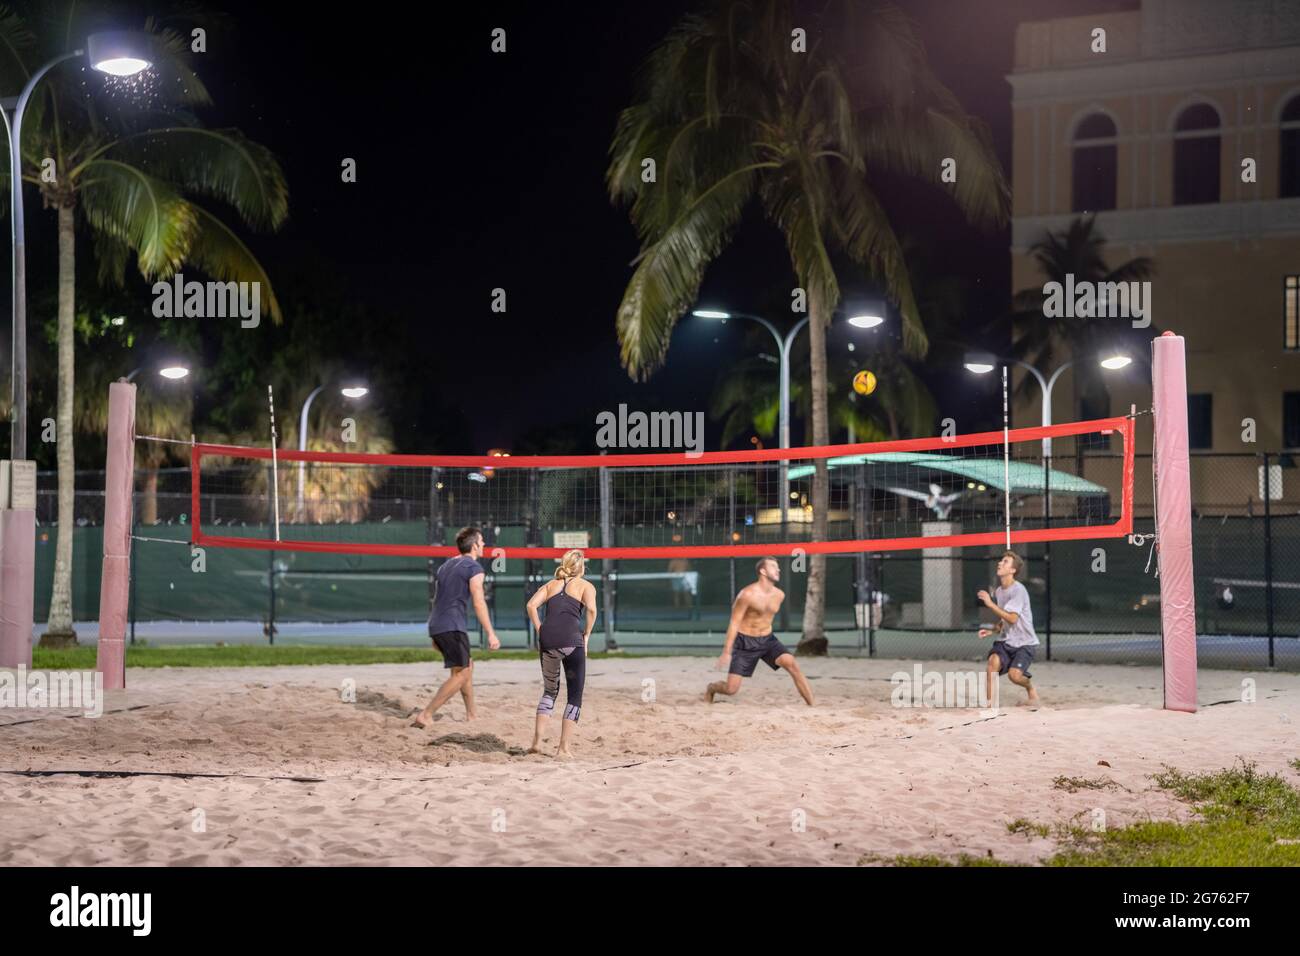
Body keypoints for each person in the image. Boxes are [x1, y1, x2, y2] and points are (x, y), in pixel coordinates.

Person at [411, 526, 499, 727]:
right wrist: (491, 633)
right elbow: (478, 602)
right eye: (482, 541)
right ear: (475, 545)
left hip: (437, 624)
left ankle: (472, 716)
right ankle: (426, 714)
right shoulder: (474, 568)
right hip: (452, 626)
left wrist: (434, 633)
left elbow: (437, 599)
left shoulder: (445, 566)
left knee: (465, 667)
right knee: (463, 673)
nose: (484, 544)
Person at [704, 556, 814, 706]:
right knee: (731, 689)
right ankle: (711, 688)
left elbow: (765, 617)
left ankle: (812, 705)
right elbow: (734, 623)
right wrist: (726, 651)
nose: (778, 569)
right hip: (745, 642)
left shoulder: (779, 595)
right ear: (763, 571)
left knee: (792, 664)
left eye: (778, 566)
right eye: (773, 566)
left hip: (767, 640)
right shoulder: (747, 595)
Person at [525, 549, 597, 758]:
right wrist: (587, 635)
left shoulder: (550, 584)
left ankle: (536, 743)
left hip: (548, 641)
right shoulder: (586, 586)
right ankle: (563, 749)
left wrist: (540, 628)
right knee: (574, 695)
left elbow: (531, 605)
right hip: (572, 641)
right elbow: (591, 610)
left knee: (549, 692)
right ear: (582, 567)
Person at [978, 550, 1042, 707]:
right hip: (1006, 640)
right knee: (992, 663)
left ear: (1013, 570)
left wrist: (990, 604)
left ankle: (1030, 687)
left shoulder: (1018, 590)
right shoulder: (1000, 591)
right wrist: (993, 630)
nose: (1000, 563)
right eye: (1001, 560)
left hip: (1025, 643)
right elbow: (1004, 618)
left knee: (1014, 676)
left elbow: (1012, 618)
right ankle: (990, 705)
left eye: (1005, 561)